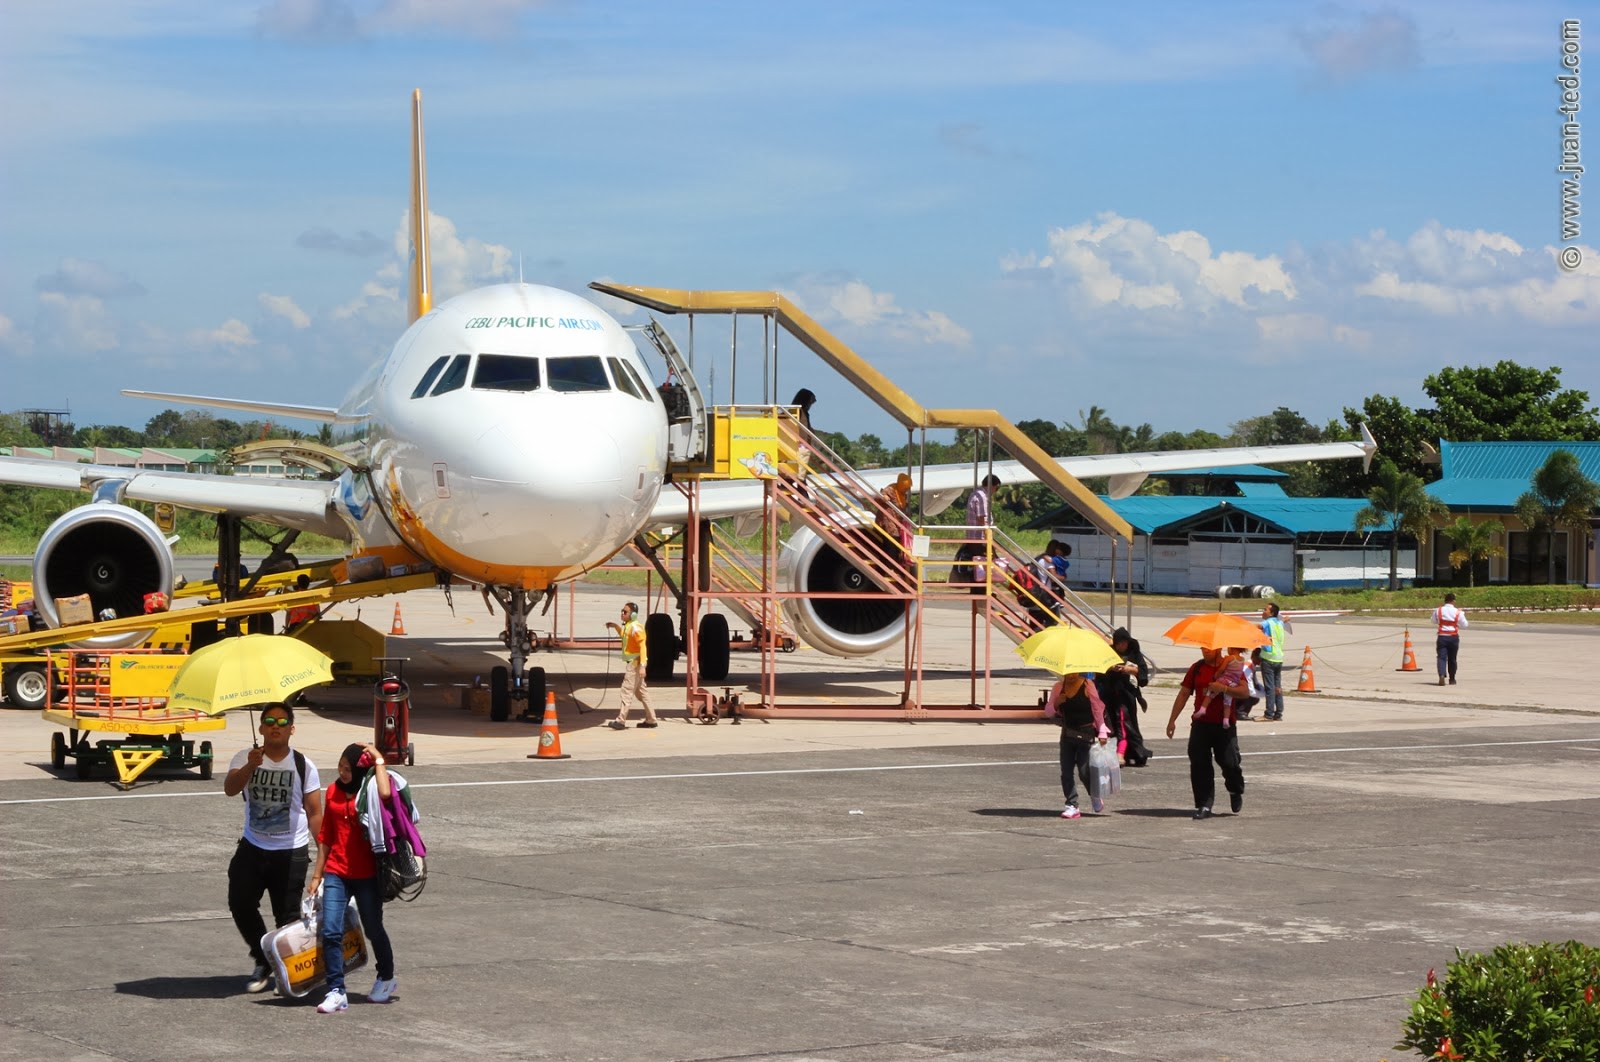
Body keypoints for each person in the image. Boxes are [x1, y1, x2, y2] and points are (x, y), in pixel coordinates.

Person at [222, 703, 323, 994]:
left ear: (291, 728)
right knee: (240, 903)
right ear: (261, 728)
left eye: (281, 721)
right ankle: (263, 959)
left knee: (287, 917)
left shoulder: (304, 765)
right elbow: (230, 788)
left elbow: (315, 812)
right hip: (253, 846)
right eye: (269, 720)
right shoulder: (245, 757)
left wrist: (323, 857)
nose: (275, 725)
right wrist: (252, 765)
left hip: (291, 851)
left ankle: (291, 972)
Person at [307, 743, 398, 1013]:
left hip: (367, 875)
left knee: (373, 929)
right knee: (331, 931)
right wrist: (316, 875)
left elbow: (385, 792)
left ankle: (386, 976)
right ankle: (336, 991)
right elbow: (326, 835)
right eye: (340, 767)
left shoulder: (369, 789)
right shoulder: (333, 790)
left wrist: (379, 757)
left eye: (348, 769)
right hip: (337, 871)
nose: (343, 772)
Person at [1165, 647, 1251, 819]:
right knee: (1199, 764)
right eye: (1203, 648)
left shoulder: (1232, 664)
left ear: (1219, 648)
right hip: (1201, 724)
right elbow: (1183, 693)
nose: (1205, 651)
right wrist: (1172, 720)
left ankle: (1235, 789)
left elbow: (1244, 692)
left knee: (1229, 763)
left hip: (1225, 726)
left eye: (1209, 648)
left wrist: (1224, 689)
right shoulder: (1197, 668)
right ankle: (1204, 804)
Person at [1048, 670, 1110, 819]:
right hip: (1067, 734)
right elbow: (1048, 712)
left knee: (1084, 771)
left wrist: (1102, 731)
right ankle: (1071, 805)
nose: (1070, 676)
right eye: (1067, 673)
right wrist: (1057, 702)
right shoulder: (1058, 687)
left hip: (1086, 733)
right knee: (1066, 772)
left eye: (1073, 673)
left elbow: (1097, 709)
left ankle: (1094, 794)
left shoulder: (1088, 685)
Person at [1101, 628, 1151, 767]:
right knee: (1113, 724)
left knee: (1124, 722)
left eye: (1124, 643)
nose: (1122, 646)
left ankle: (1123, 753)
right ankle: (1116, 752)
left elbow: (1143, 674)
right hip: (1110, 696)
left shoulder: (1134, 653)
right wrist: (1110, 668)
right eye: (1119, 643)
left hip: (1127, 696)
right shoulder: (1109, 653)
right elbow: (1100, 672)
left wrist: (1132, 670)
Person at [605, 601, 657, 729]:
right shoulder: (629, 626)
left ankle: (621, 720)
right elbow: (624, 635)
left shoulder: (636, 628)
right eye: (622, 611)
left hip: (635, 664)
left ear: (633, 615)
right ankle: (651, 719)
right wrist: (615, 626)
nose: (622, 614)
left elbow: (642, 647)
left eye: (625, 612)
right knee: (642, 693)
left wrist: (643, 666)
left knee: (626, 691)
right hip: (635, 663)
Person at [953, 474, 1001, 592]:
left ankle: (979, 590)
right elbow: (981, 518)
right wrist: (988, 537)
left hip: (973, 537)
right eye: (996, 488)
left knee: (978, 566)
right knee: (985, 565)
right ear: (993, 486)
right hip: (979, 538)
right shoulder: (982, 497)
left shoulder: (974, 494)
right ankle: (982, 591)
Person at [1257, 602, 1287, 720]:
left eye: (1265, 610)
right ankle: (1278, 712)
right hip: (1279, 658)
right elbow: (1283, 620)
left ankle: (1268, 714)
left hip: (1268, 658)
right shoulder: (1279, 623)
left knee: (1269, 687)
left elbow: (1258, 627)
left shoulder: (1267, 622)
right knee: (1277, 687)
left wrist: (1243, 626)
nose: (1263, 611)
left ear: (1272, 613)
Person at [1432, 592, 1468, 686]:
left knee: (1441, 657)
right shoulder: (1458, 612)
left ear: (1445, 600)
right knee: (1452, 658)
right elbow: (1465, 625)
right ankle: (1452, 679)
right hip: (1453, 637)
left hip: (1442, 636)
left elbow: (1433, 621)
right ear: (1453, 601)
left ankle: (1442, 675)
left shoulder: (1438, 610)